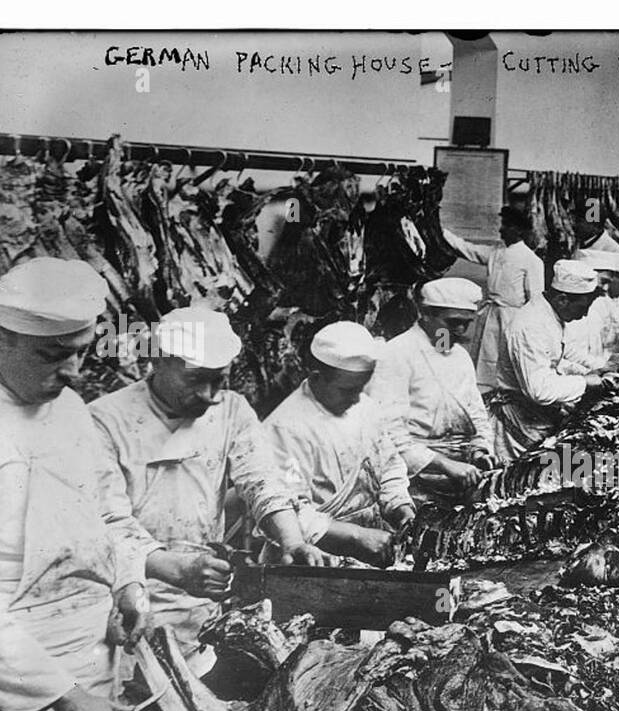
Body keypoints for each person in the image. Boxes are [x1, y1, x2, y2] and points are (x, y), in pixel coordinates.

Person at [0, 258, 152, 711]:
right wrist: (62, 695)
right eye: (55, 356)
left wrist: (128, 581)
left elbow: (111, 513)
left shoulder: (74, 410)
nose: (77, 371)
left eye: (83, 351)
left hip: (95, 661)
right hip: (10, 688)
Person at [91, 307, 320, 676]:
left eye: (219, 381)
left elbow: (259, 479)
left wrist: (292, 540)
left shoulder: (232, 411)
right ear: (157, 360)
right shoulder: (104, 420)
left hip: (202, 605)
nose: (210, 395)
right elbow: (105, 522)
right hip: (127, 601)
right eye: (196, 379)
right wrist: (175, 568)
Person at [262, 322, 417, 564]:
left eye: (360, 388)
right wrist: (354, 536)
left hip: (375, 543)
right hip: (314, 556)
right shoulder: (286, 428)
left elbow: (389, 466)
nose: (356, 399)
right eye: (347, 390)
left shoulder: (366, 408)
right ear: (317, 377)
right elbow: (288, 510)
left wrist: (401, 508)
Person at [373, 279, 497, 504]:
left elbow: (477, 412)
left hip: (465, 471)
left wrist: (481, 450)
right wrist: (443, 464)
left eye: (466, 323)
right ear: (426, 314)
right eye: (452, 322)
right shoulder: (397, 354)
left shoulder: (459, 357)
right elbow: (390, 432)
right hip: (416, 476)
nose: (459, 330)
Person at [490, 260, 619, 460]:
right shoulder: (529, 326)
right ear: (562, 299)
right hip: (519, 418)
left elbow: (564, 348)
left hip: (540, 414)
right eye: (583, 308)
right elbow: (539, 390)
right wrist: (586, 382)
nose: (585, 314)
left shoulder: (550, 314)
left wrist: (599, 367)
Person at [441, 206, 545, 392]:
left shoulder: (532, 261)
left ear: (519, 230)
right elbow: (467, 249)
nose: (501, 229)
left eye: (506, 225)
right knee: (484, 357)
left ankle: (507, 396)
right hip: (491, 315)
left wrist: (530, 329)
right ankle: (483, 393)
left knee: (507, 361)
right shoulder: (496, 252)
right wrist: (441, 232)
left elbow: (536, 302)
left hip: (513, 319)